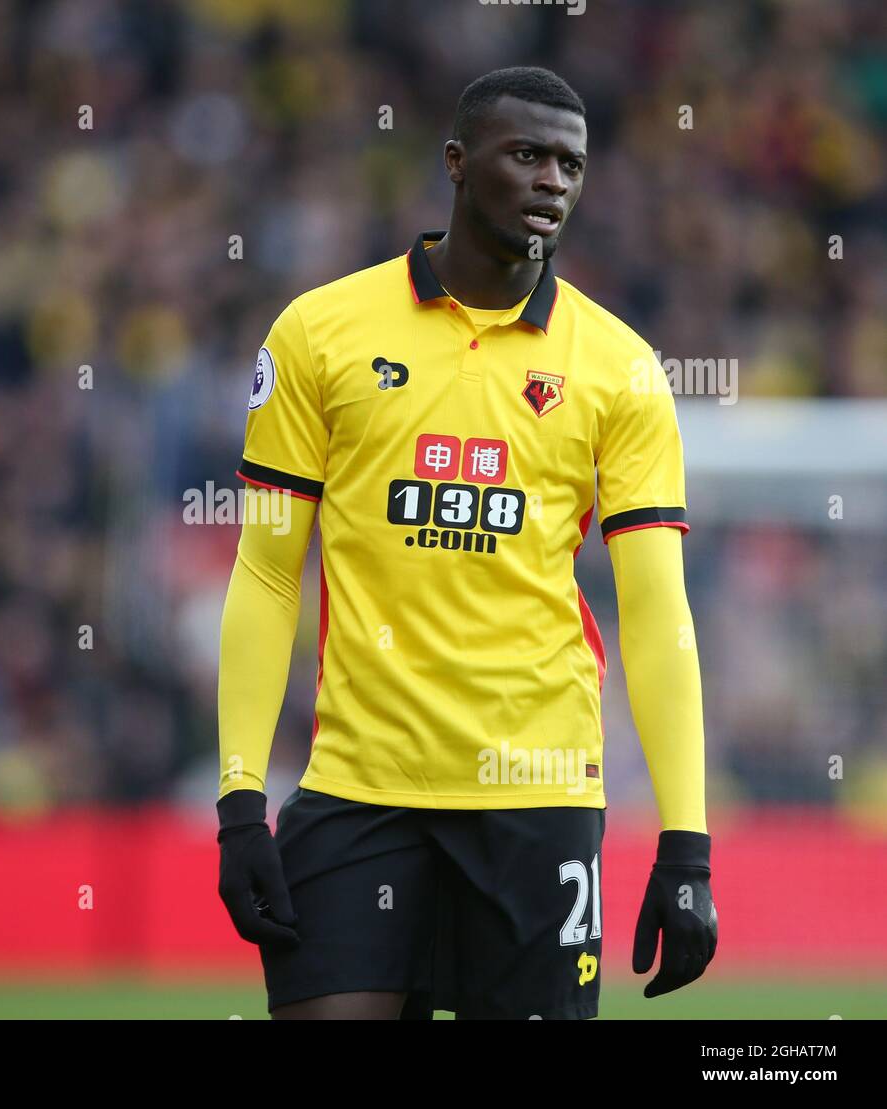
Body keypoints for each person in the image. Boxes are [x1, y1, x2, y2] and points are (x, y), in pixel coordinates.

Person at [216, 66, 717, 1020]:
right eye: (526, 155)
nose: (552, 182)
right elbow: (267, 571)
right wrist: (242, 801)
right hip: (362, 787)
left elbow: (659, 616)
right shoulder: (321, 334)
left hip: (537, 795)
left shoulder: (621, 368)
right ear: (456, 163)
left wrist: (685, 846)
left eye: (570, 163)